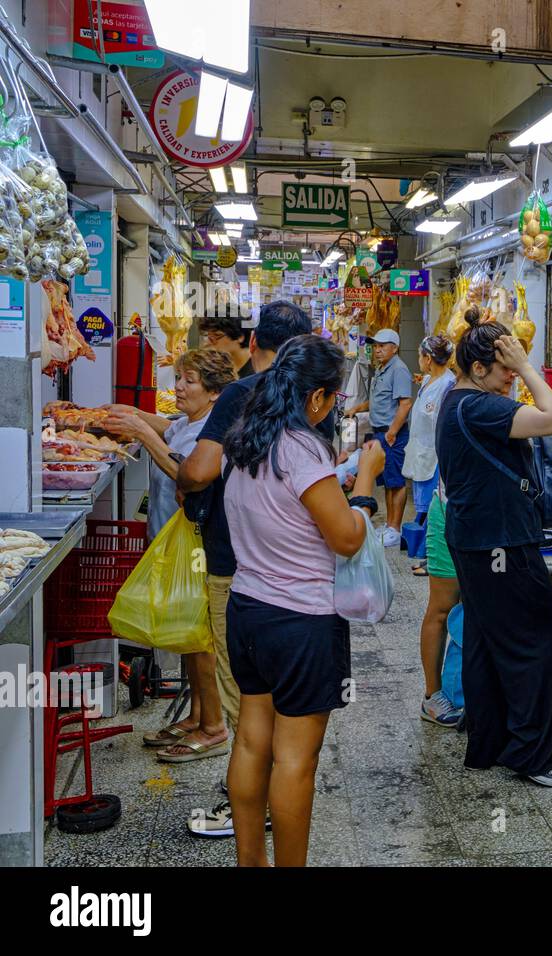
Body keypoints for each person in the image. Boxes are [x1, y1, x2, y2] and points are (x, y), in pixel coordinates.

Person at [222, 334, 385, 867]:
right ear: (317, 397)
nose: (334, 405)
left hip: (248, 611)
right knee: (294, 760)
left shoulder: (246, 439)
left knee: (251, 743)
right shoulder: (302, 447)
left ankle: (250, 861)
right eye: (334, 396)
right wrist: (365, 483)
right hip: (301, 621)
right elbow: (346, 538)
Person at [176, 300, 315, 838]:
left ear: (254, 343)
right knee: (284, 705)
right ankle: (280, 799)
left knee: (245, 702)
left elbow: (200, 471)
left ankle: (248, 809)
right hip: (297, 574)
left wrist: (176, 469)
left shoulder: (241, 393)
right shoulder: (310, 398)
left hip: (238, 567)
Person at [434, 308, 552, 786]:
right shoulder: (480, 407)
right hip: (501, 543)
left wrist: (516, 366)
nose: (512, 377)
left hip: (476, 538)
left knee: (486, 639)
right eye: (505, 369)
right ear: (478, 369)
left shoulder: (457, 402)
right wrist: (530, 367)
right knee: (539, 638)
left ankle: (489, 743)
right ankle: (531, 755)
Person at [105, 347, 236, 763]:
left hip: (197, 544)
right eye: (178, 378)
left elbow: (184, 472)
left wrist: (141, 433)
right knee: (187, 628)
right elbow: (170, 428)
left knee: (200, 636)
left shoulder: (209, 434)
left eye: (188, 381)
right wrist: (134, 414)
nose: (178, 387)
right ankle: (197, 715)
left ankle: (214, 727)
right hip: (174, 537)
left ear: (214, 393)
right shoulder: (191, 421)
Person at [346, 328, 412, 547]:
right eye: (375, 346)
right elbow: (377, 399)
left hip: (392, 434)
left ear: (395, 348)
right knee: (387, 482)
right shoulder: (382, 368)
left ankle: (395, 528)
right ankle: (389, 525)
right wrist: (357, 408)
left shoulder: (399, 369)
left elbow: (405, 404)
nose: (377, 350)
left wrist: (392, 432)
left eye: (382, 346)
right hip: (380, 433)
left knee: (396, 482)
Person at [404, 334, 455, 575]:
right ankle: (426, 554)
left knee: (435, 509)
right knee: (424, 507)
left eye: (420, 356)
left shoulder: (448, 385)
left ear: (428, 359)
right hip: (421, 453)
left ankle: (431, 557)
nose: (419, 360)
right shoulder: (428, 380)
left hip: (435, 457)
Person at [199, 312, 255, 379]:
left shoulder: (258, 370)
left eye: (217, 335)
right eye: (208, 336)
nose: (208, 342)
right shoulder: (218, 366)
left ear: (239, 337)